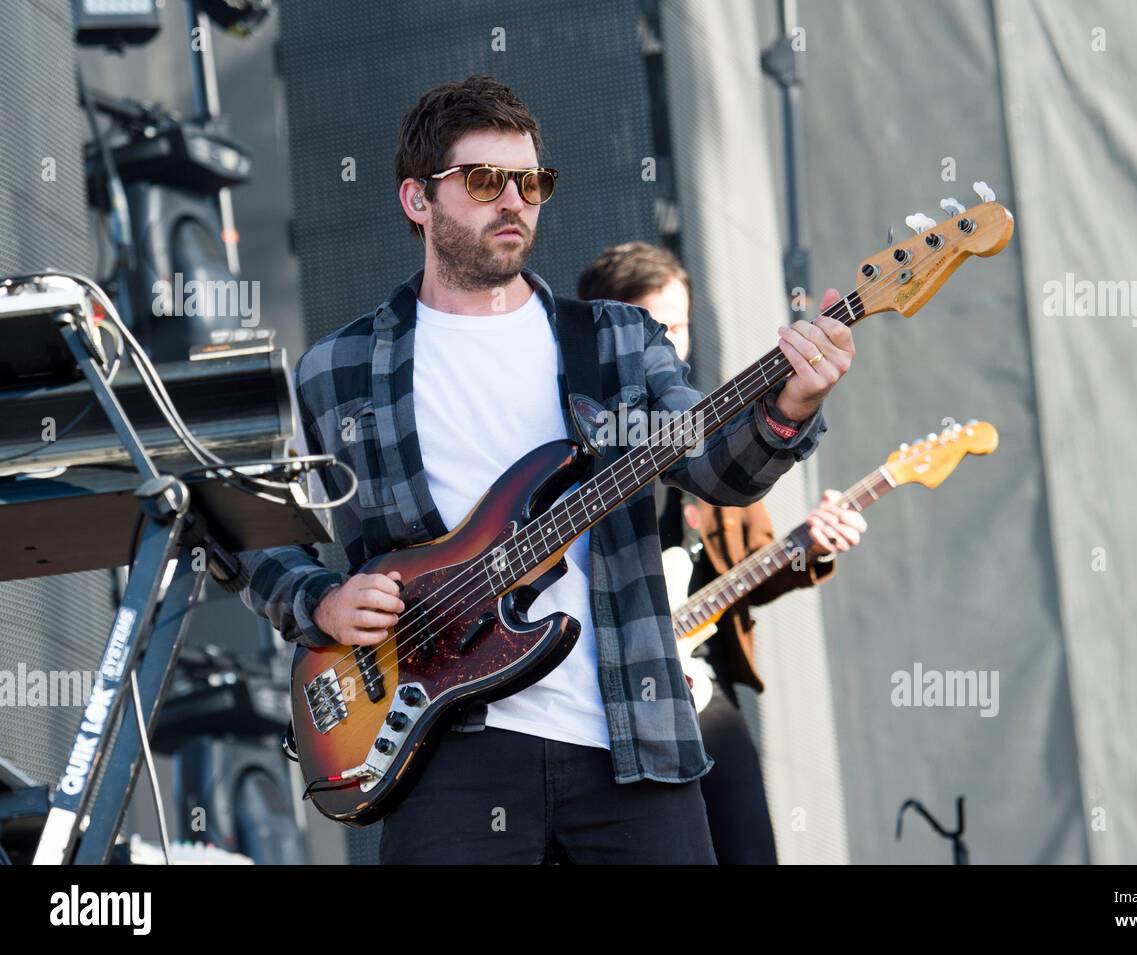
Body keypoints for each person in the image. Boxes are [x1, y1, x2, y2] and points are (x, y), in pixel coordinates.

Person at [237, 75, 856, 864]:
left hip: (631, 745)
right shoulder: (341, 369)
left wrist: (792, 406)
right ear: (417, 201)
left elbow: (716, 467)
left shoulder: (618, 343)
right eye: (486, 180)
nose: (515, 201)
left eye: (532, 181)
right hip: (443, 751)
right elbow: (244, 528)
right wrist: (320, 601)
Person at [578, 242, 867, 864]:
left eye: (678, 327)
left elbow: (756, 568)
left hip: (699, 685)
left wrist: (808, 548)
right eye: (655, 326)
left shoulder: (710, 428)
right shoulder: (572, 433)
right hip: (594, 701)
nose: (670, 344)